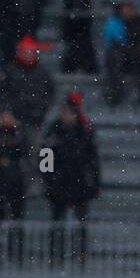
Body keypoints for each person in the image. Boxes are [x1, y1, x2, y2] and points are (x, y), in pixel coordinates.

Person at [42, 92, 101, 252]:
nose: (67, 116)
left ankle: (80, 255)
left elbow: (93, 160)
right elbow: (45, 158)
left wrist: (94, 183)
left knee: (81, 224)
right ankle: (56, 256)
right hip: (59, 184)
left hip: (79, 183)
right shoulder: (54, 130)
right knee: (57, 224)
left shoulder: (85, 131)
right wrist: (49, 181)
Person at [0, 108, 29, 231]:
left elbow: (22, 149)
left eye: (9, 117)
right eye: (4, 117)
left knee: (17, 214)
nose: (6, 120)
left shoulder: (19, 132)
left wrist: (5, 144)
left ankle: (16, 245)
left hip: (15, 176)